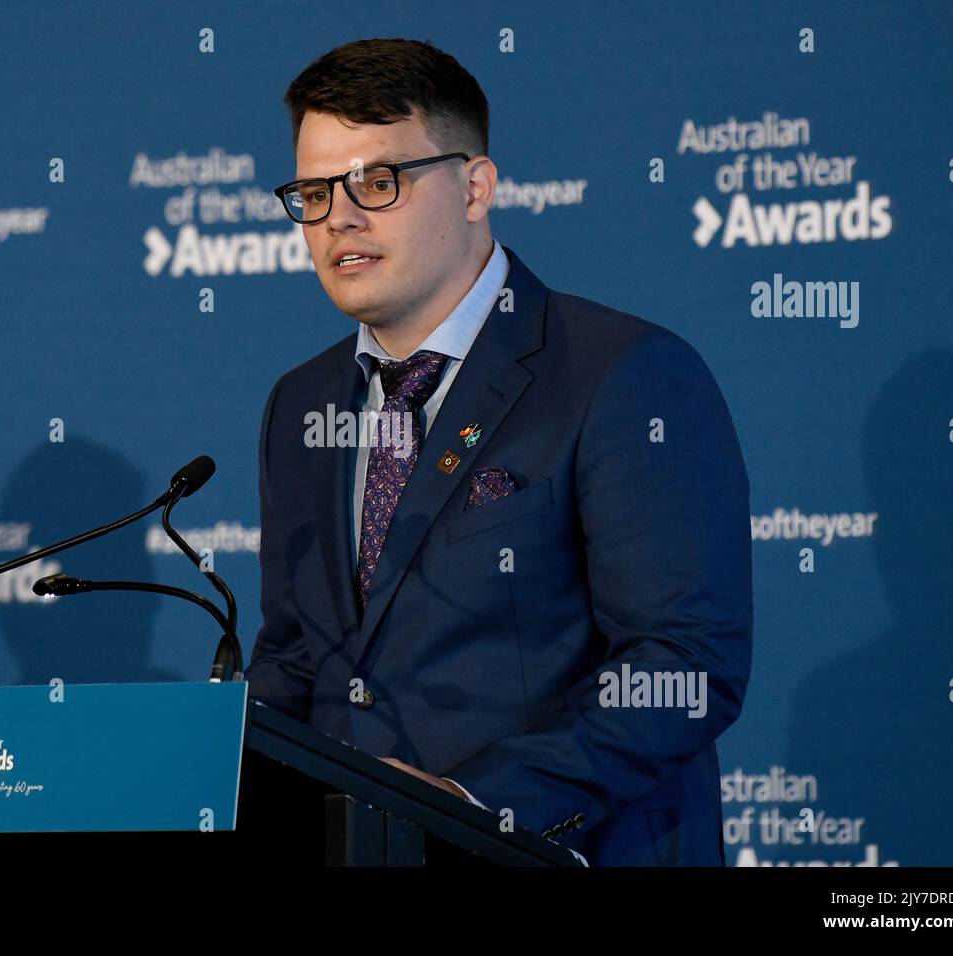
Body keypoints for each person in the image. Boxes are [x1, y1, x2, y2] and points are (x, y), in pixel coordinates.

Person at [246, 38, 752, 865]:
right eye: (313, 190)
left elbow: (683, 664)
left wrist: (476, 805)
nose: (340, 217)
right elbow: (297, 662)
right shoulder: (299, 404)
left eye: (379, 182)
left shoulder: (620, 373)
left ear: (476, 186)